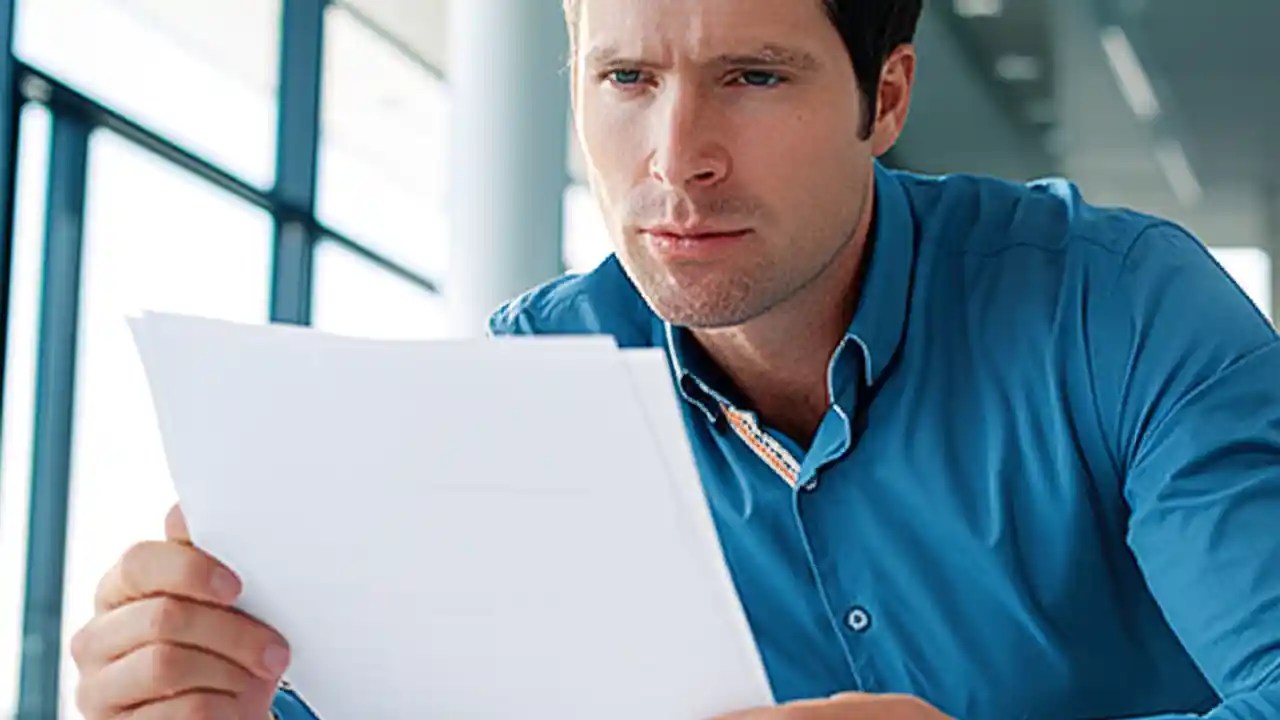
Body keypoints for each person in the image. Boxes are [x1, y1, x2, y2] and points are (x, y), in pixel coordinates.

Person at [70, 0, 1280, 717]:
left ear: (887, 94)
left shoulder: (1117, 309)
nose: (674, 158)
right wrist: (199, 683)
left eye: (751, 77)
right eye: (624, 78)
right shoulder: (529, 380)